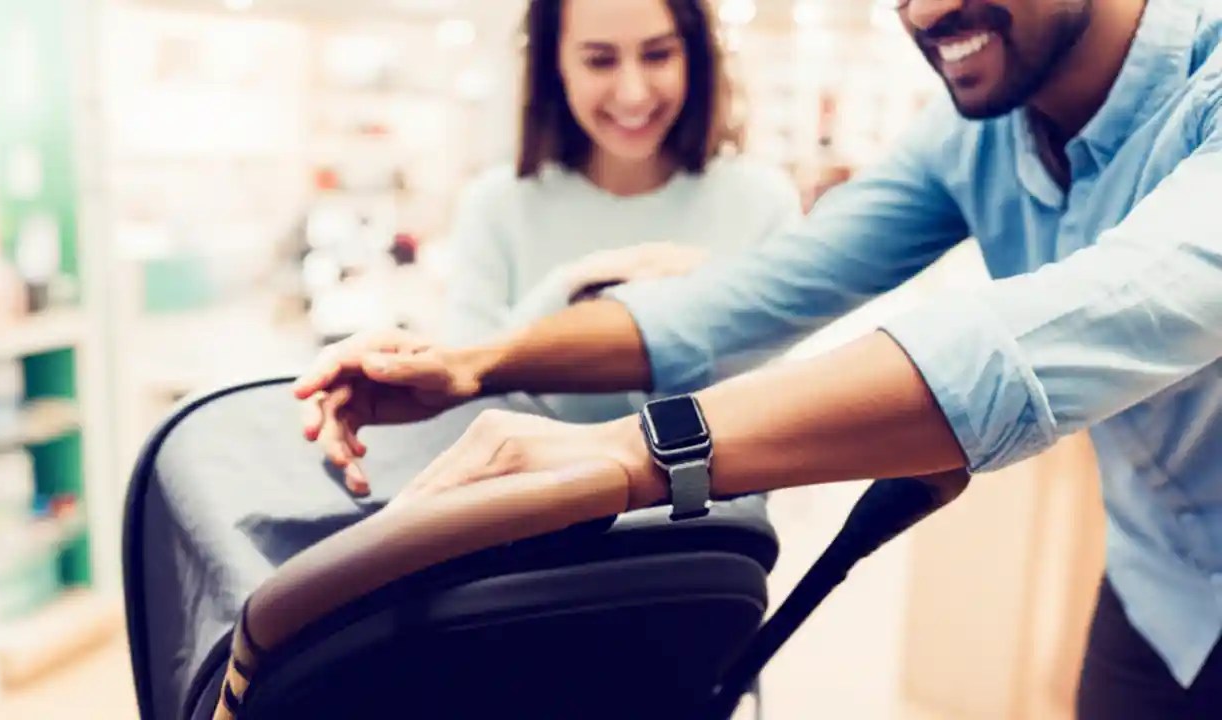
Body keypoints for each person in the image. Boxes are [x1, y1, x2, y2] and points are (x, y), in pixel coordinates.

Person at [296, 0, 1222, 716]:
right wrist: (473, 363)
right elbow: (742, 298)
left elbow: (1064, 328)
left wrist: (628, 450)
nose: (928, 10)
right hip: (1153, 594)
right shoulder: (971, 138)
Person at [307, 0, 800, 492]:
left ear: (694, 55)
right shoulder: (495, 204)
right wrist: (575, 287)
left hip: (716, 524)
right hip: (529, 523)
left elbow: (774, 416)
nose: (633, 93)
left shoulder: (761, 201)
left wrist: (688, 309)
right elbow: (467, 385)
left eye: (658, 55)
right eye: (599, 60)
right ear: (554, 64)